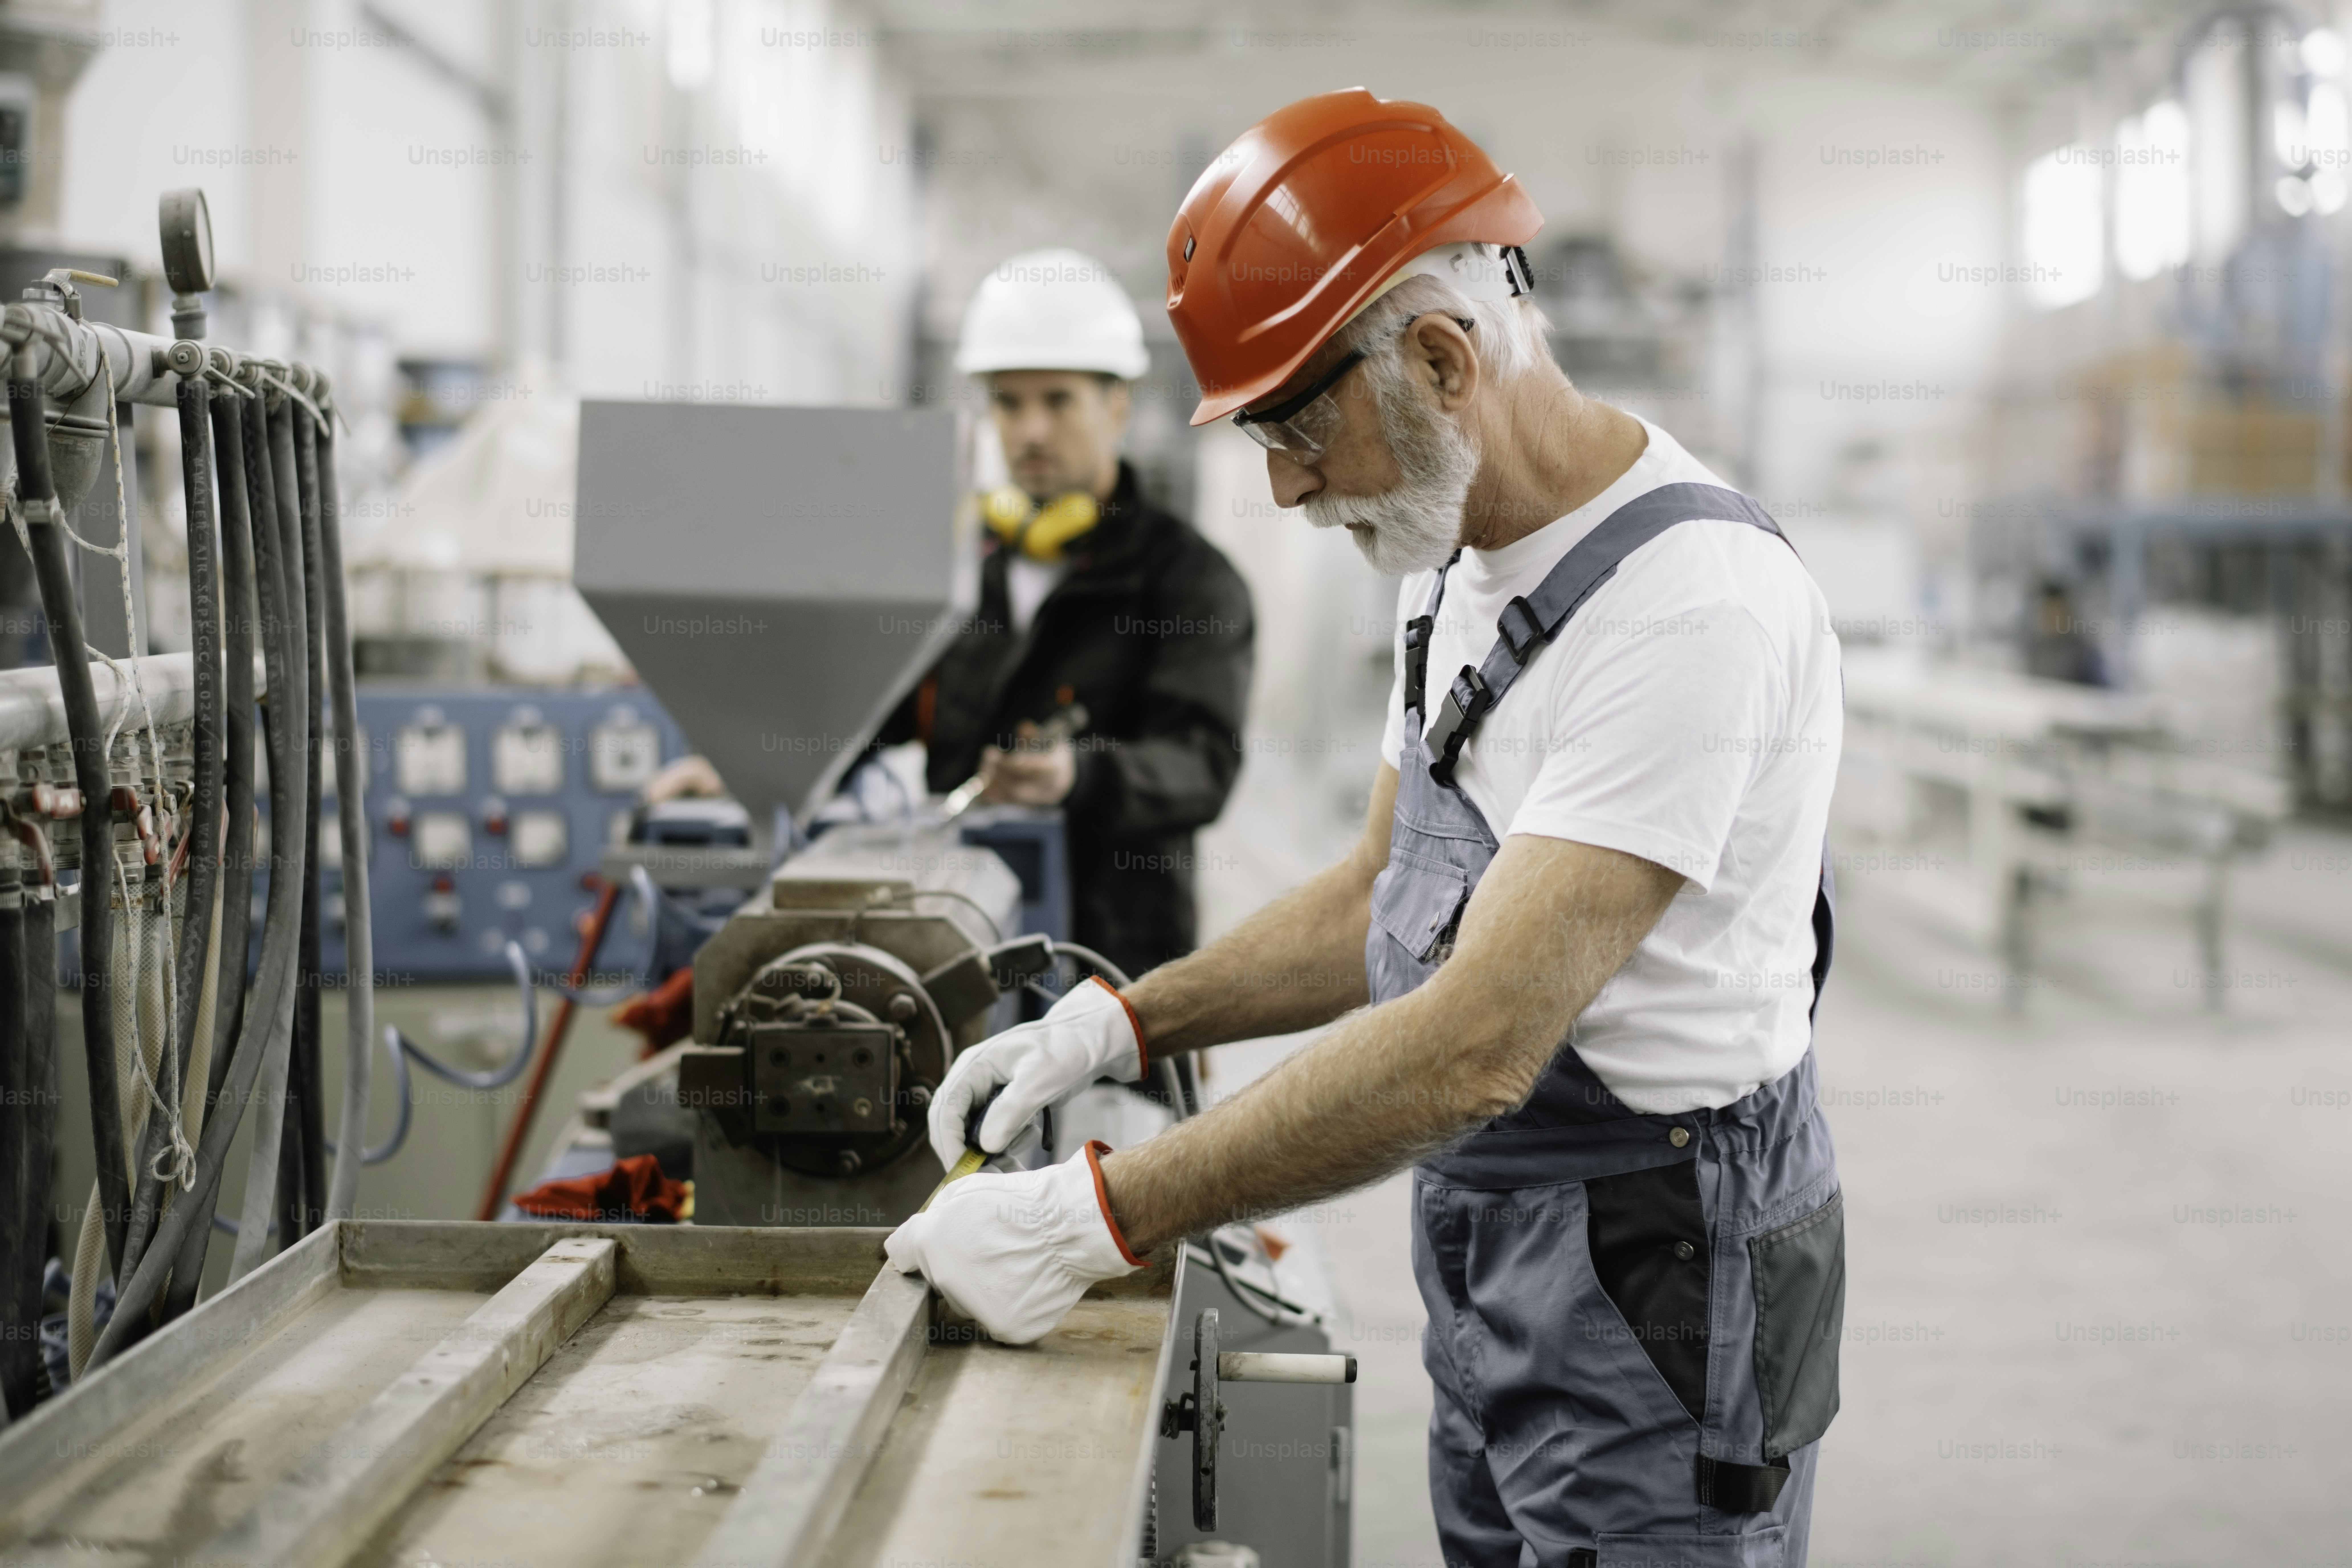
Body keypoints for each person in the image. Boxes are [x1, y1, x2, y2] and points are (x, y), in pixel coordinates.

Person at [886, 91, 1847, 1566]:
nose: (1280, 486)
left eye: (1292, 429)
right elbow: (1373, 901)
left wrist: (1097, 1217)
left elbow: (1475, 1044)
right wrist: (1112, 1028)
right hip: (1495, 1226)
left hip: (1664, 1259)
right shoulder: (1447, 557)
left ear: (1443, 361)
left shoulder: (1689, 610)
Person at [871, 246, 1254, 981]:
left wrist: (1080, 776)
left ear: (1118, 405)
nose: (1031, 432)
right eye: (1009, 404)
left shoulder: (1189, 581)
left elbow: (1202, 764)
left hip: (1112, 964)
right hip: (953, 945)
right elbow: (869, 709)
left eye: (1057, 400)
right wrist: (759, 759)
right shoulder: (953, 566)